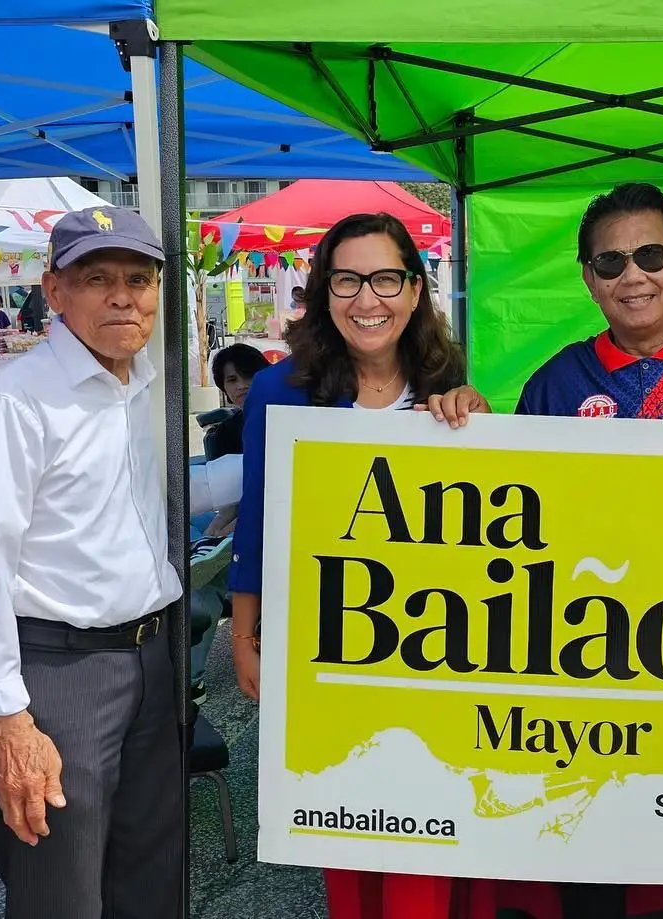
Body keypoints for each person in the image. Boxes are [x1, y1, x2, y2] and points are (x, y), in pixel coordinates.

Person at [426, 181, 663, 919]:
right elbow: (511, 511)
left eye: (651, 255)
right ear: (588, 278)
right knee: (592, 863)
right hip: (589, 659)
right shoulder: (555, 382)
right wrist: (466, 422)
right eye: (611, 262)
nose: (633, 275)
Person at [228, 210, 478, 916]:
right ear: (323, 289)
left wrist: (475, 419)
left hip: (427, 650)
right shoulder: (283, 388)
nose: (367, 299)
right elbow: (259, 514)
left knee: (422, 837)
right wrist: (245, 637)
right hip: (325, 650)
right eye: (347, 279)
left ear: (414, 288)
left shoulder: (443, 381)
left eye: (386, 278)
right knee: (346, 826)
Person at [0, 206, 182, 919]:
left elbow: (158, 500)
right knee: (62, 895)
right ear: (54, 289)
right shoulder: (10, 400)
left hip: (151, 657)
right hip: (56, 675)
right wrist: (7, 718)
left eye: (138, 279)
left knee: (150, 877)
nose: (121, 295)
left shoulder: (142, 385)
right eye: (96, 277)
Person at [187, 342, 272, 705]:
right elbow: (236, 498)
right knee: (188, 548)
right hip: (242, 515)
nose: (241, 386)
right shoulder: (229, 429)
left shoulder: (288, 415)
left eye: (247, 376)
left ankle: (191, 676)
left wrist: (231, 527)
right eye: (231, 380)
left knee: (203, 577)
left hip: (273, 527)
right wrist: (220, 526)